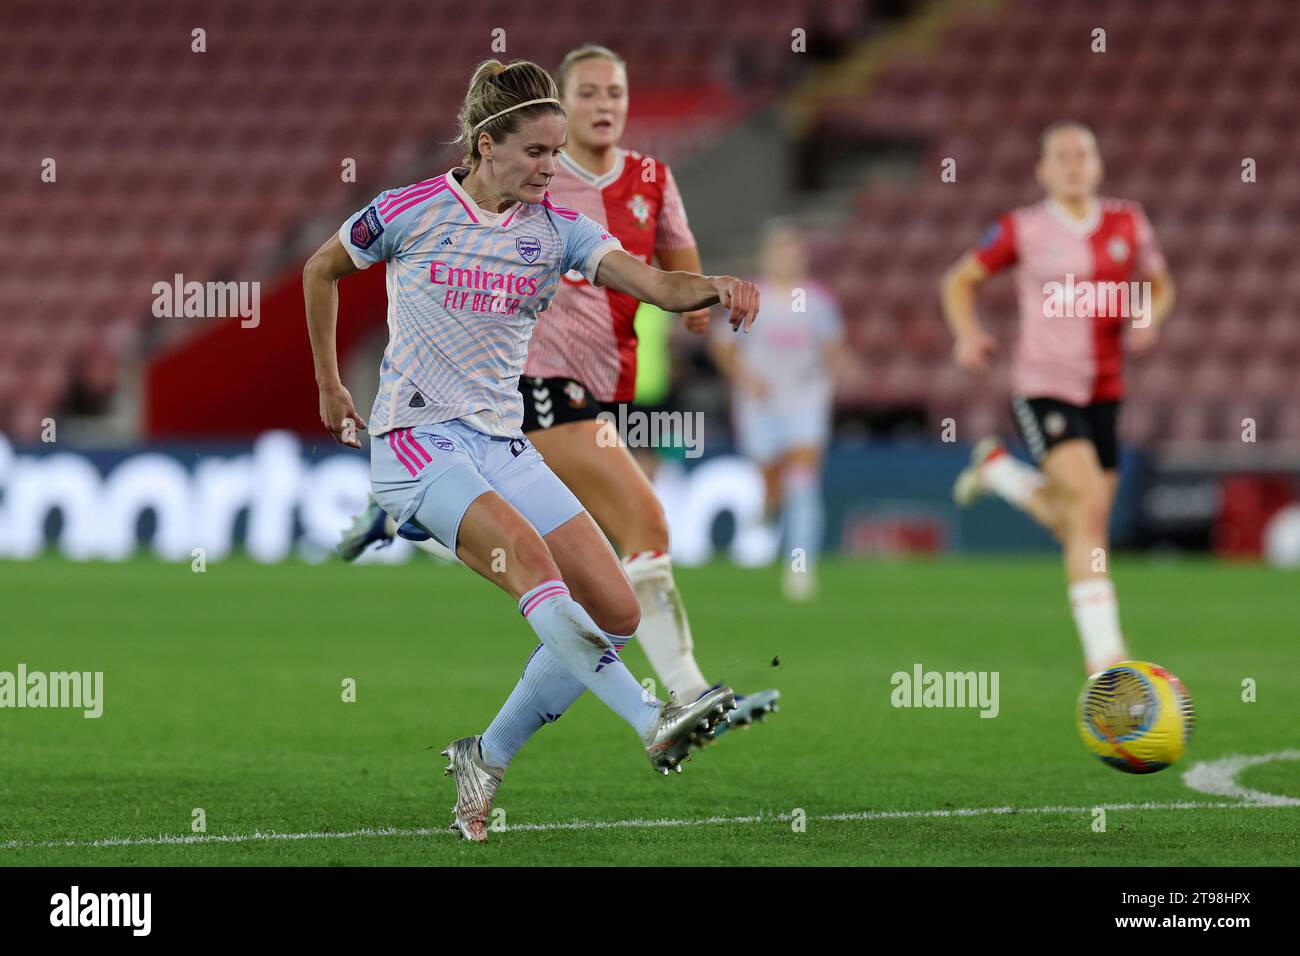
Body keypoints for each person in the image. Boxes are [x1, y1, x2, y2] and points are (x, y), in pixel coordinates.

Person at [304, 59, 760, 841]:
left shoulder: (560, 232)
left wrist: (715, 285)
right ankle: (654, 717)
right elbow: (321, 269)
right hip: (415, 442)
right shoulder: (410, 210)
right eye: (540, 153)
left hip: (500, 444)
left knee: (615, 607)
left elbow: (652, 284)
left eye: (559, 153)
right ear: (488, 145)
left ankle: (487, 753)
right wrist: (329, 387)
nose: (555, 168)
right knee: (533, 563)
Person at [940, 120, 1175, 675]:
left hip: (1107, 391)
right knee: (1089, 515)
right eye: (1061, 155)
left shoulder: (1128, 221)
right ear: (1042, 170)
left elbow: (1161, 285)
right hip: (1044, 387)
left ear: (1097, 165)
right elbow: (958, 281)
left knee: (1082, 524)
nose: (1073, 163)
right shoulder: (1021, 228)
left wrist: (1150, 315)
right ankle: (1106, 662)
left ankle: (1000, 472)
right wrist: (967, 334)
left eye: (1083, 154)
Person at [712, 219, 845, 601]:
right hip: (759, 406)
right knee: (772, 485)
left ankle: (799, 570)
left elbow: (833, 347)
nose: (786, 257)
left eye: (793, 249)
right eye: (779, 249)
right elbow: (724, 347)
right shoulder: (751, 297)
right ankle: (769, 509)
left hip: (805, 401)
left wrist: (838, 373)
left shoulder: (818, 301)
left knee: (802, 481)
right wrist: (745, 378)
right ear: (767, 255)